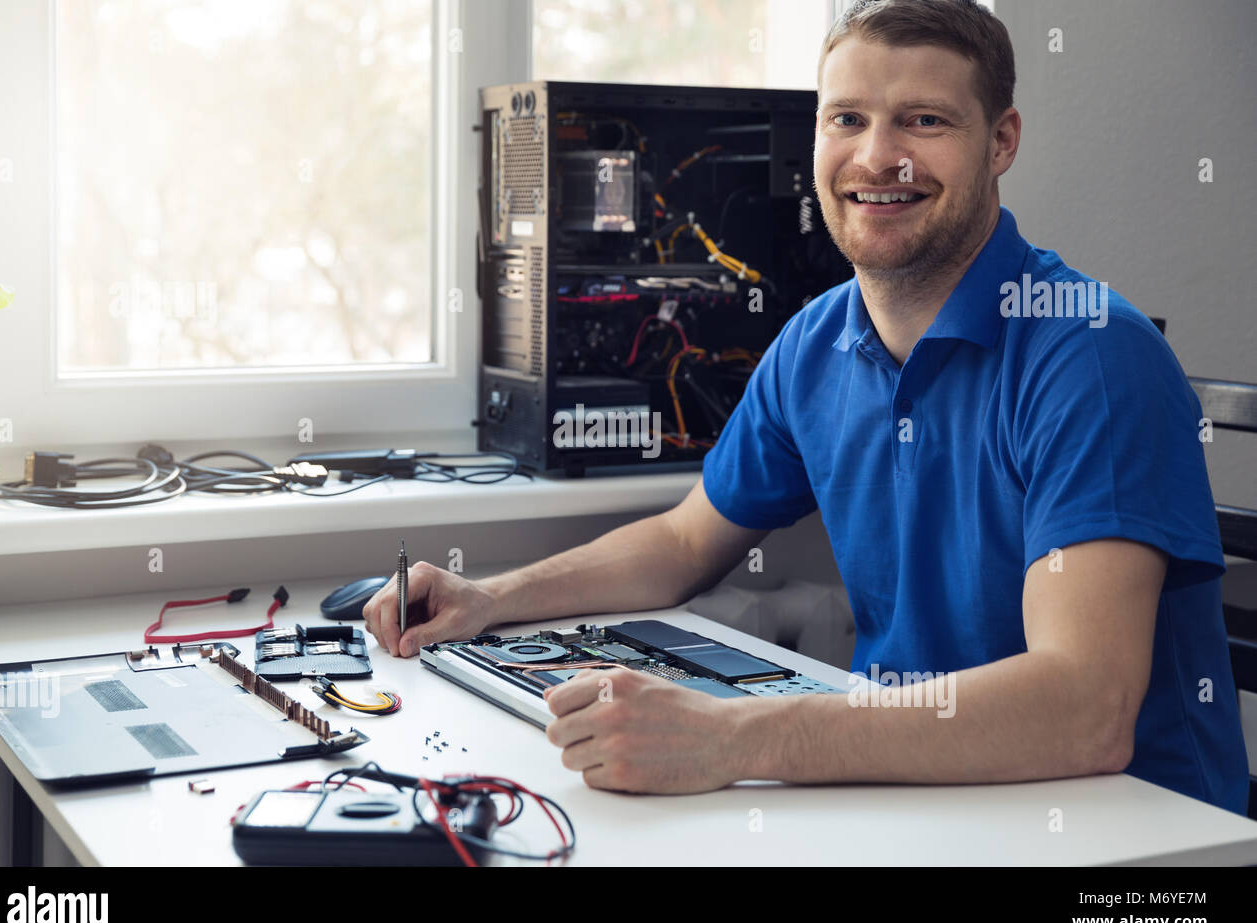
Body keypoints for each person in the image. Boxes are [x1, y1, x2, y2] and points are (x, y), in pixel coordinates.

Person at [365, 0, 1248, 812]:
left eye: (924, 120)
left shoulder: (1090, 352)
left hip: (1138, 855)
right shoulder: (818, 340)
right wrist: (489, 598)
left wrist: (734, 735)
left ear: (1002, 141)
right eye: (847, 119)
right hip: (922, 797)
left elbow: (1083, 707)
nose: (876, 157)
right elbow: (681, 543)